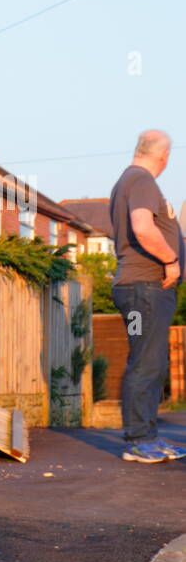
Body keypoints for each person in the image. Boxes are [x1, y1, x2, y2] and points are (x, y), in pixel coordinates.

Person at [107, 130, 186, 463]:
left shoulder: (129, 180)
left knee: (146, 360)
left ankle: (147, 437)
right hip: (145, 291)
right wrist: (170, 260)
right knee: (146, 362)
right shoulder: (141, 180)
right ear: (164, 155)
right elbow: (142, 226)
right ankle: (140, 440)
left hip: (138, 291)